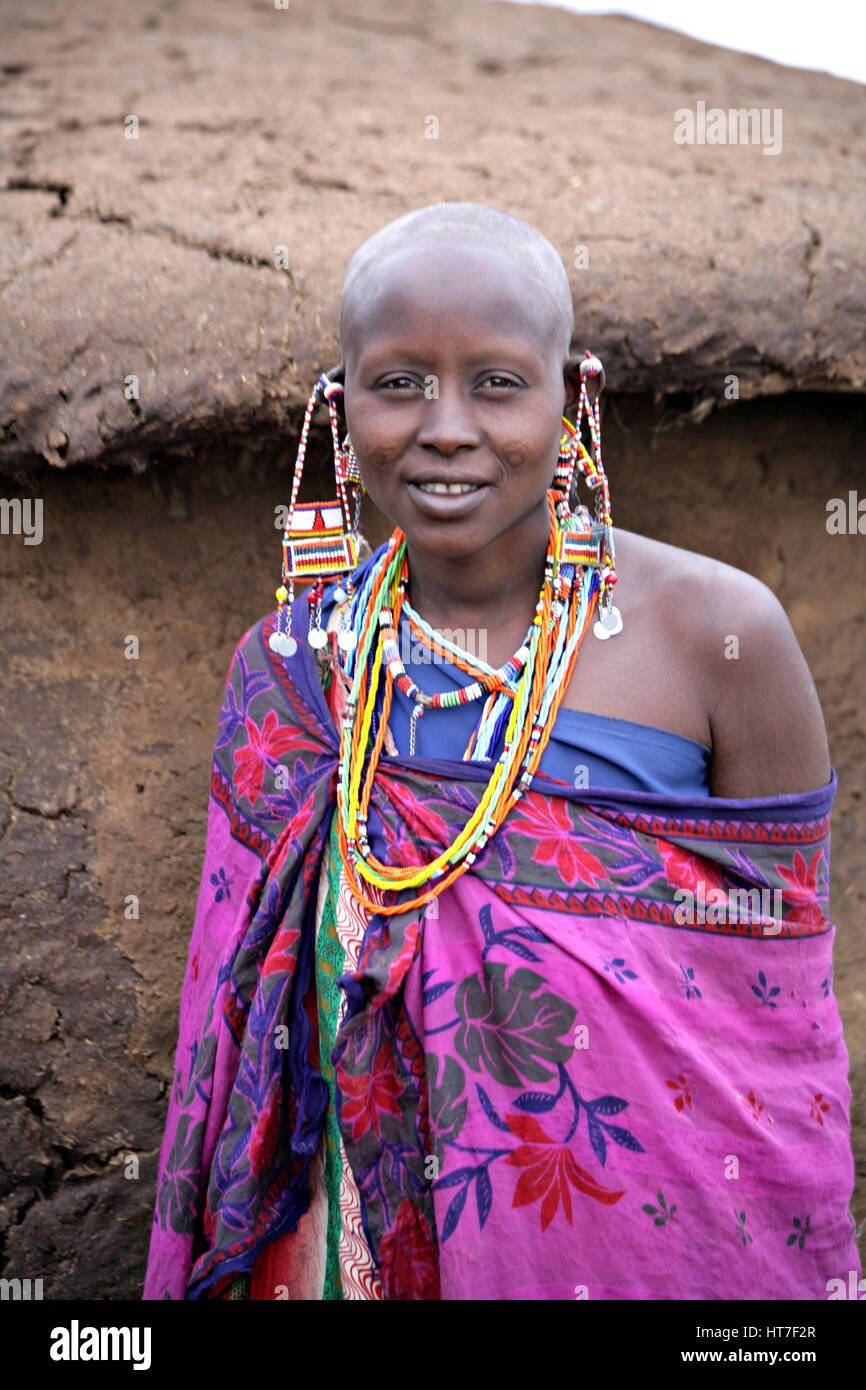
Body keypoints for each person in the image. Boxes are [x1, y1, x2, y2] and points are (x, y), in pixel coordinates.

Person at [144, 202, 858, 1301]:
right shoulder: (290, 671)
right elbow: (233, 1031)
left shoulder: (719, 639)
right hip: (351, 1248)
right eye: (396, 384)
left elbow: (767, 1026)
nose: (442, 426)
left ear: (573, 397)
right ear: (336, 413)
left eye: (494, 381)